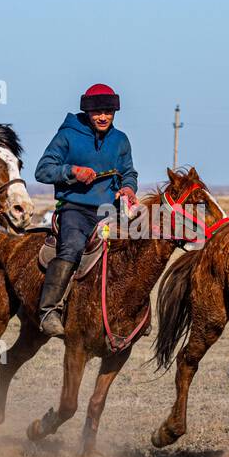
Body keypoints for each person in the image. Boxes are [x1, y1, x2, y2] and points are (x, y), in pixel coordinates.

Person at [33, 83, 139, 337]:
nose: (103, 117)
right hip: (75, 209)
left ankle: (133, 314)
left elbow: (129, 172)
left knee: (136, 249)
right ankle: (49, 310)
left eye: (109, 112)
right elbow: (42, 170)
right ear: (88, 112)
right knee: (72, 247)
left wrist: (128, 188)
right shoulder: (68, 135)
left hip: (109, 211)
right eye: (98, 112)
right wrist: (71, 171)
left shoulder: (120, 140)